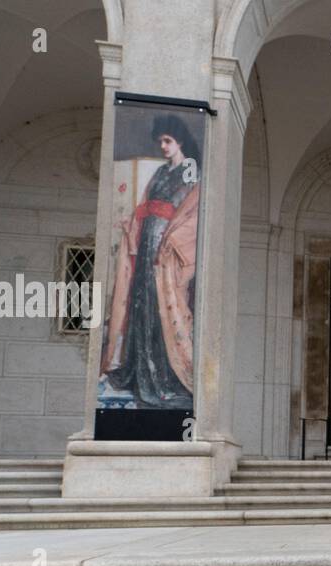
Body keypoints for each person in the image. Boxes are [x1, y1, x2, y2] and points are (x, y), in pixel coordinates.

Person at [101, 114, 201, 408]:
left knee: (160, 311)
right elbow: (145, 207)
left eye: (167, 141)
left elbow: (192, 214)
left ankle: (164, 376)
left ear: (179, 140)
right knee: (141, 304)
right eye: (160, 141)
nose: (163, 146)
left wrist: (170, 240)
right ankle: (139, 370)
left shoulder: (190, 172)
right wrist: (131, 222)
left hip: (167, 249)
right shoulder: (159, 173)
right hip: (146, 244)